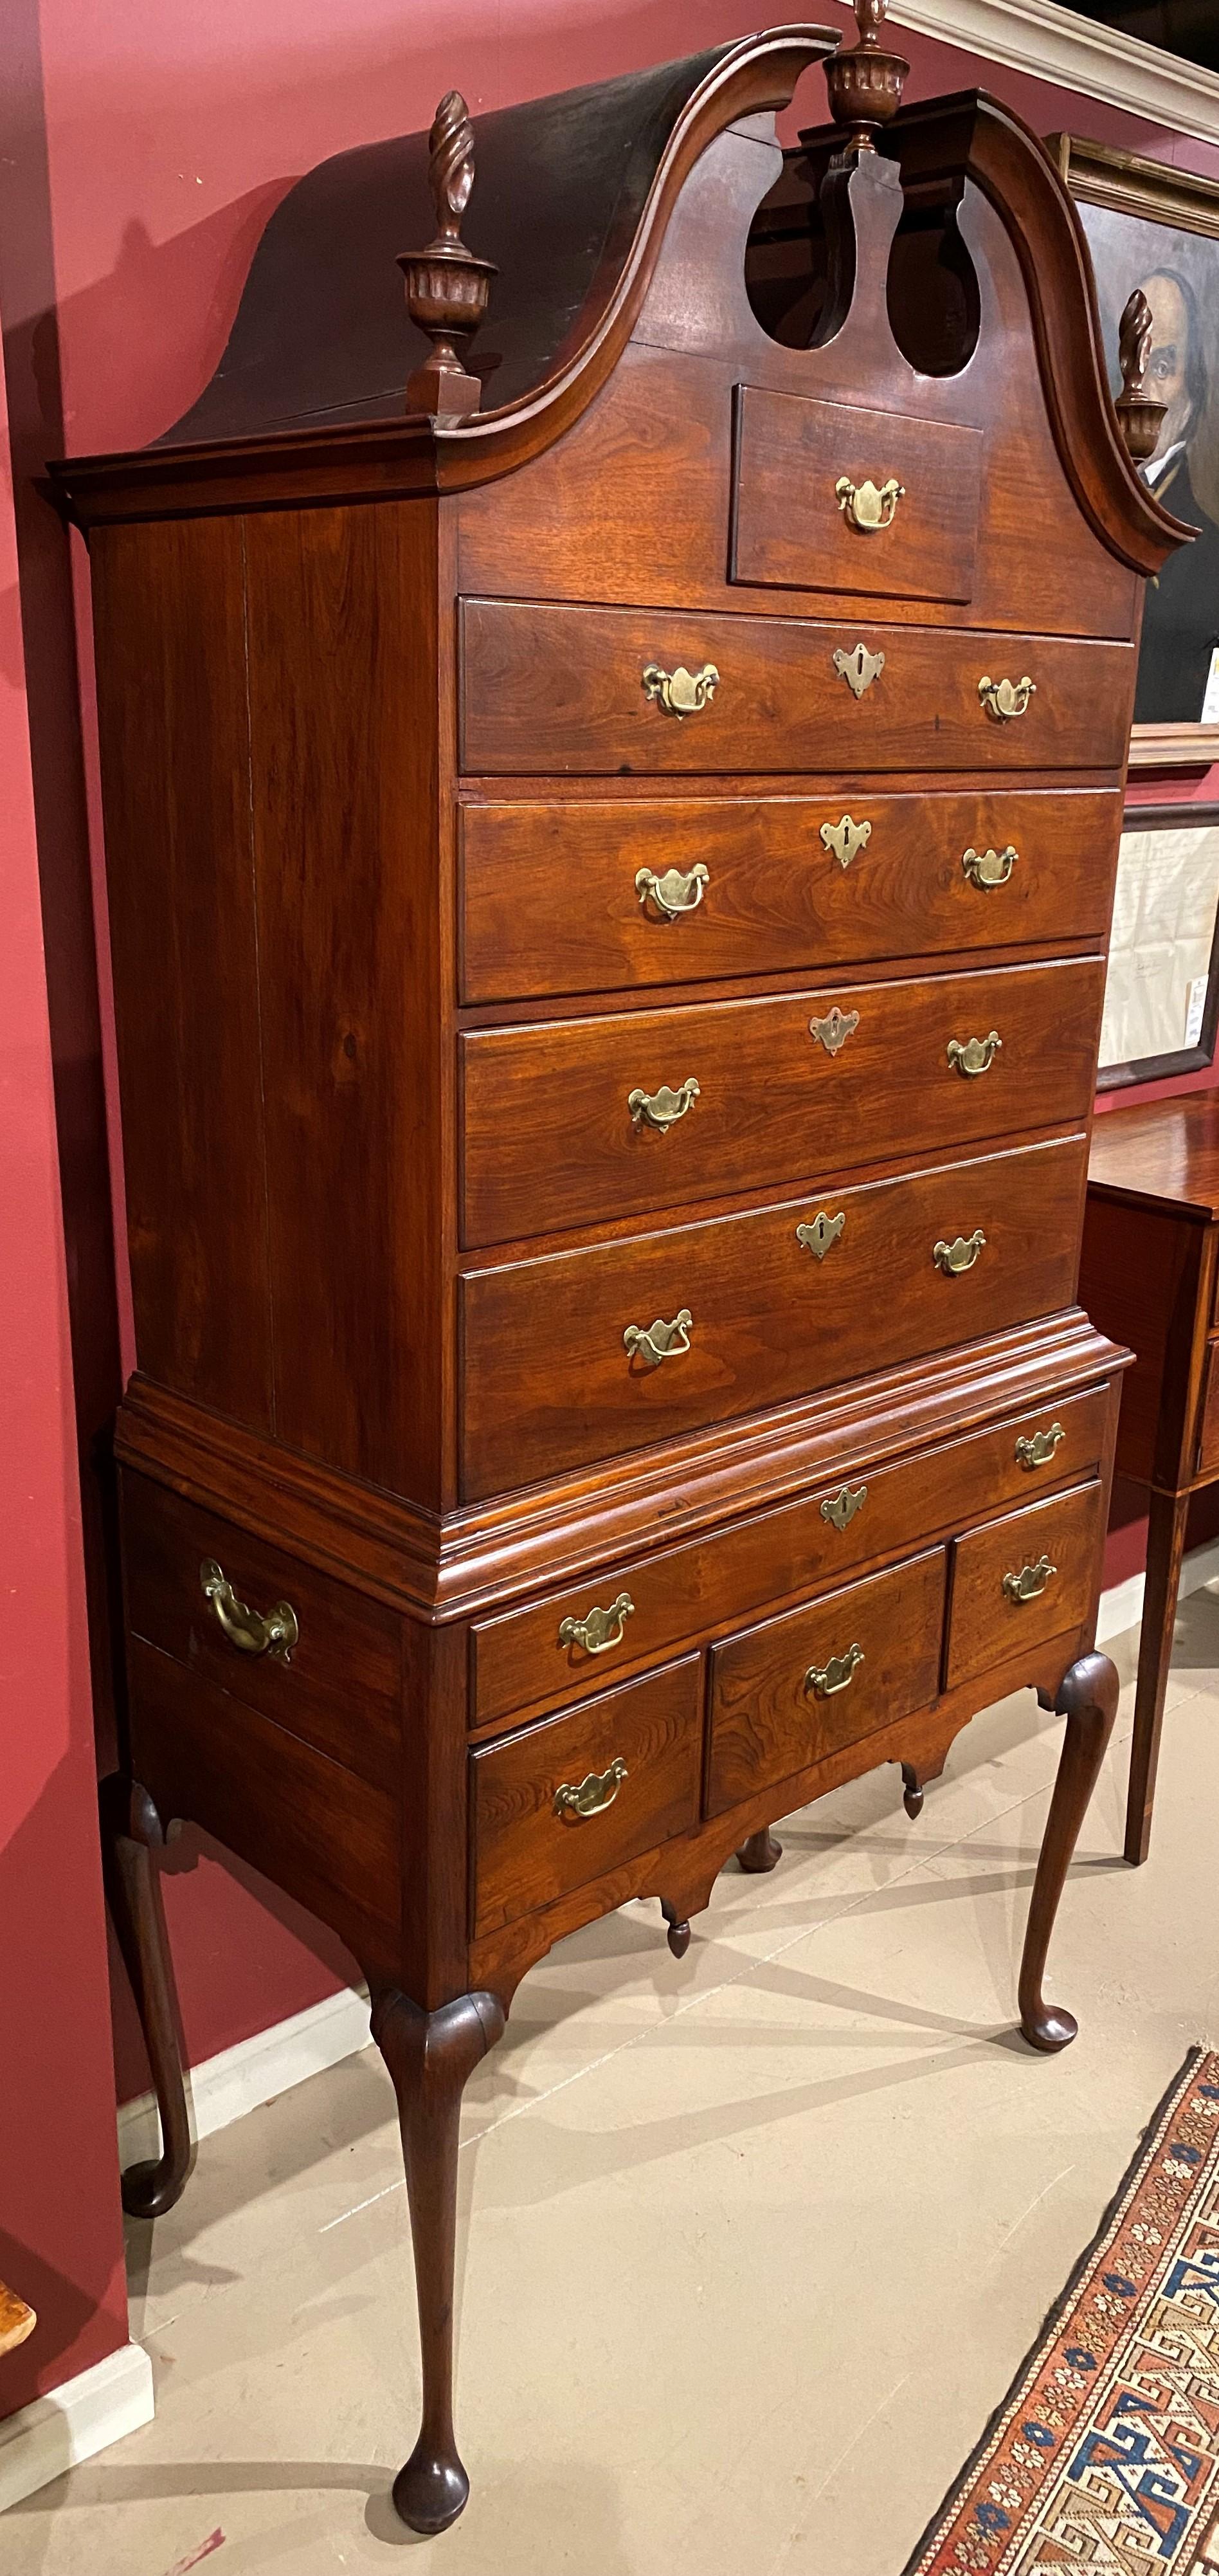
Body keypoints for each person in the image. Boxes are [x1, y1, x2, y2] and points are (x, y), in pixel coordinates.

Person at [1133, 266, 1219, 724]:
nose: (1141, 389)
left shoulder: (1209, 550)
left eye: (1163, 368)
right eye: (1133, 361)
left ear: (1193, 388)